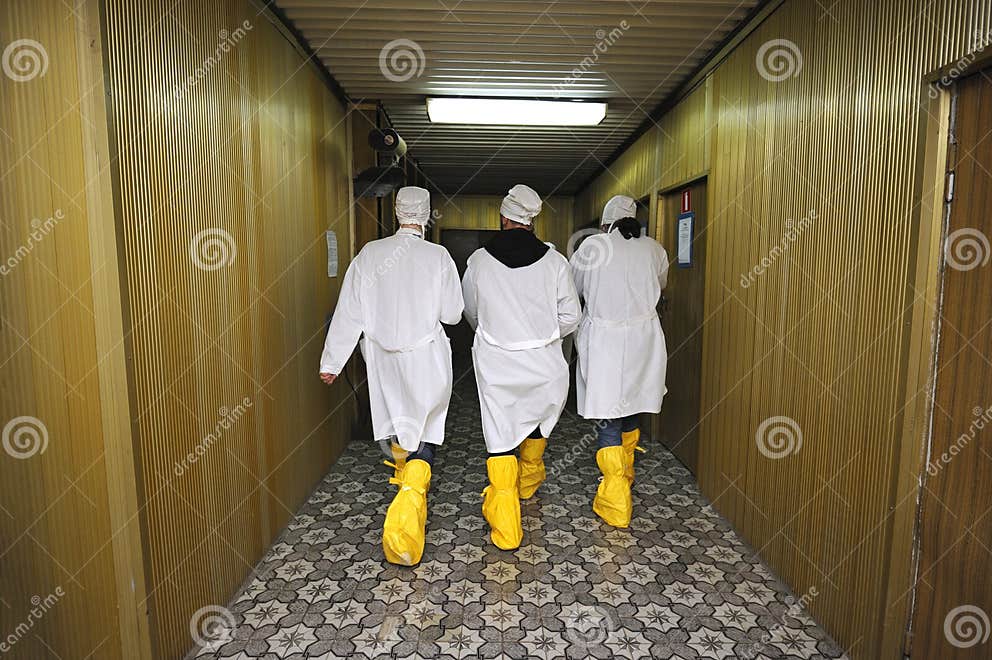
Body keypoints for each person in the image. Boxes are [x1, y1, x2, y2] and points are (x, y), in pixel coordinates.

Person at [318, 186, 464, 566]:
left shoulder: (370, 254)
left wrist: (332, 362)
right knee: (425, 430)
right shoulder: (439, 256)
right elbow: (452, 314)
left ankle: (404, 497)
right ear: (427, 214)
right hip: (427, 358)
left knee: (400, 428)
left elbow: (349, 310)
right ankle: (406, 520)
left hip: (383, 361)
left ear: (396, 212)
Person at [462, 184, 581, 549]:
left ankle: (507, 526)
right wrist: (542, 334)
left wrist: (500, 331)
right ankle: (527, 484)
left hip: (497, 364)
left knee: (499, 435)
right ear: (532, 221)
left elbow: (471, 312)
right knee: (538, 420)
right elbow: (571, 317)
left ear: (503, 217)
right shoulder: (556, 262)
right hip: (545, 363)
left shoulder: (479, 260)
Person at [569, 194, 669, 528]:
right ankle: (625, 476)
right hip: (644, 338)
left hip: (605, 340)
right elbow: (661, 283)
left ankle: (615, 499)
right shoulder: (653, 249)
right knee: (632, 407)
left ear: (605, 222)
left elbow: (575, 288)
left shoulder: (592, 247)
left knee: (608, 414)